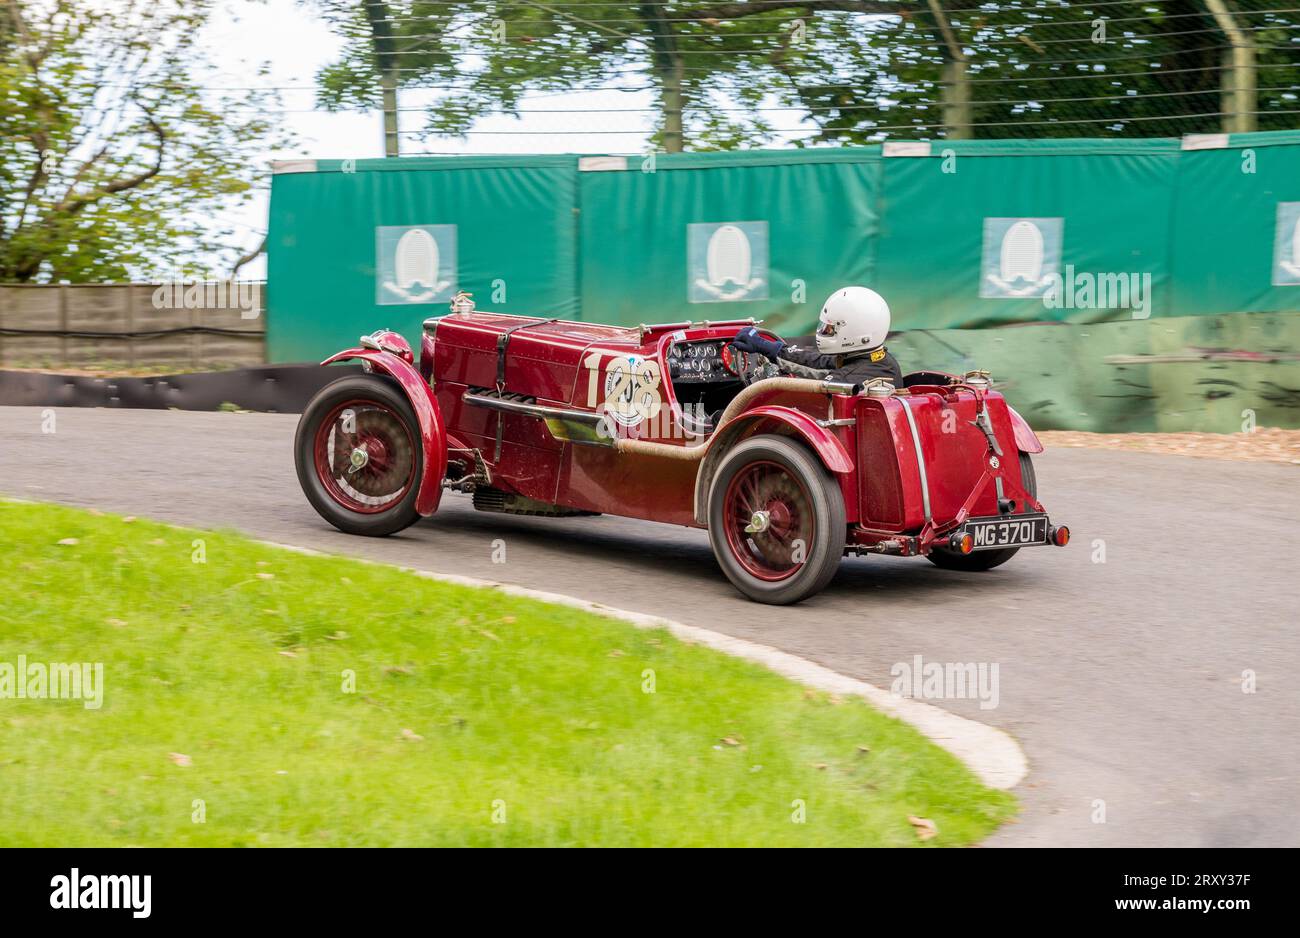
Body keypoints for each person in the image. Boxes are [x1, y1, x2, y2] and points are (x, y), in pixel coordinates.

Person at [732, 286, 903, 388]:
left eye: (830, 329)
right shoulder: (881, 362)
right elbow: (820, 362)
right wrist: (769, 347)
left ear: (855, 332)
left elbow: (806, 389)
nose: (822, 333)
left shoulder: (844, 380)